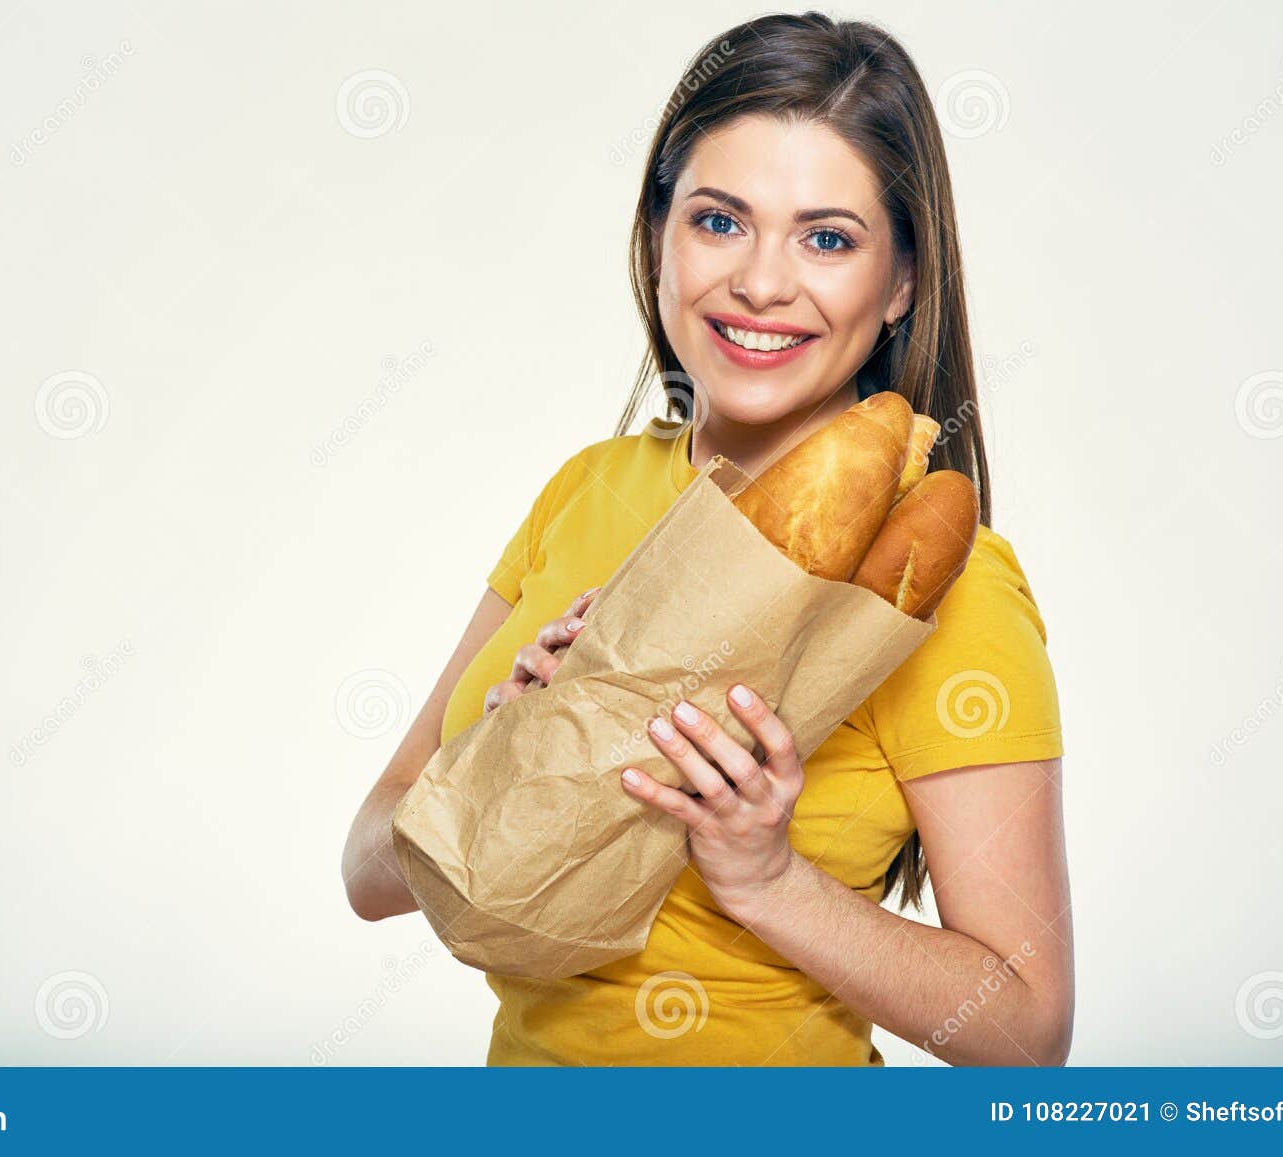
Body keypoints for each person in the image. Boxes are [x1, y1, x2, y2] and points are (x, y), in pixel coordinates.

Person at [342, 11, 1073, 1066]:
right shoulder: (585, 491)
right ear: (657, 236)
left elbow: (1026, 1028)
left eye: (826, 237)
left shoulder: (935, 580)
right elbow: (368, 871)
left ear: (901, 283)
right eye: (719, 221)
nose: (761, 282)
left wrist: (767, 878)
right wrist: (496, 757)